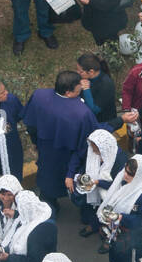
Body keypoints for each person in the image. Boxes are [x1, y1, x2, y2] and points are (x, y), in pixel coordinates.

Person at [23, 72, 97, 209]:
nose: (81, 88)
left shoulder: (39, 95)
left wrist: (35, 142)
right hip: (67, 155)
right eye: (78, 88)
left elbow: (31, 124)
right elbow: (90, 139)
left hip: (45, 149)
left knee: (47, 179)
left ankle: (49, 207)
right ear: (68, 93)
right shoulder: (82, 113)